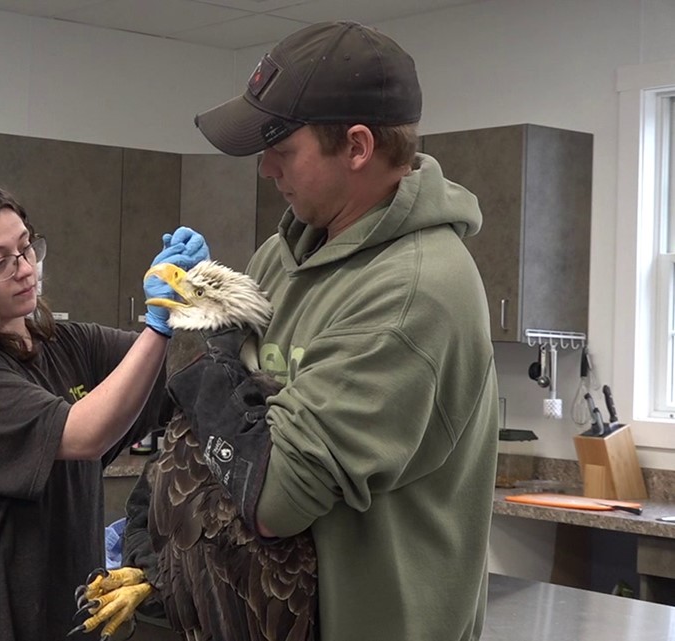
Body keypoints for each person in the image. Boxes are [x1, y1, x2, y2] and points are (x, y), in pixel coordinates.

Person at [167, 21, 500, 640]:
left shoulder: (415, 292)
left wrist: (198, 356)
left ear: (356, 146)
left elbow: (274, 499)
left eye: (282, 149)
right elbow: (210, 436)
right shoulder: (282, 255)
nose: (265, 169)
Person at [0, 180, 209, 640]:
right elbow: (83, 433)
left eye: (26, 248)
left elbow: (179, 376)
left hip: (61, 614)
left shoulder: (68, 344)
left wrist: (201, 301)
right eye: (0, 261)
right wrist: (158, 326)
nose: (25, 270)